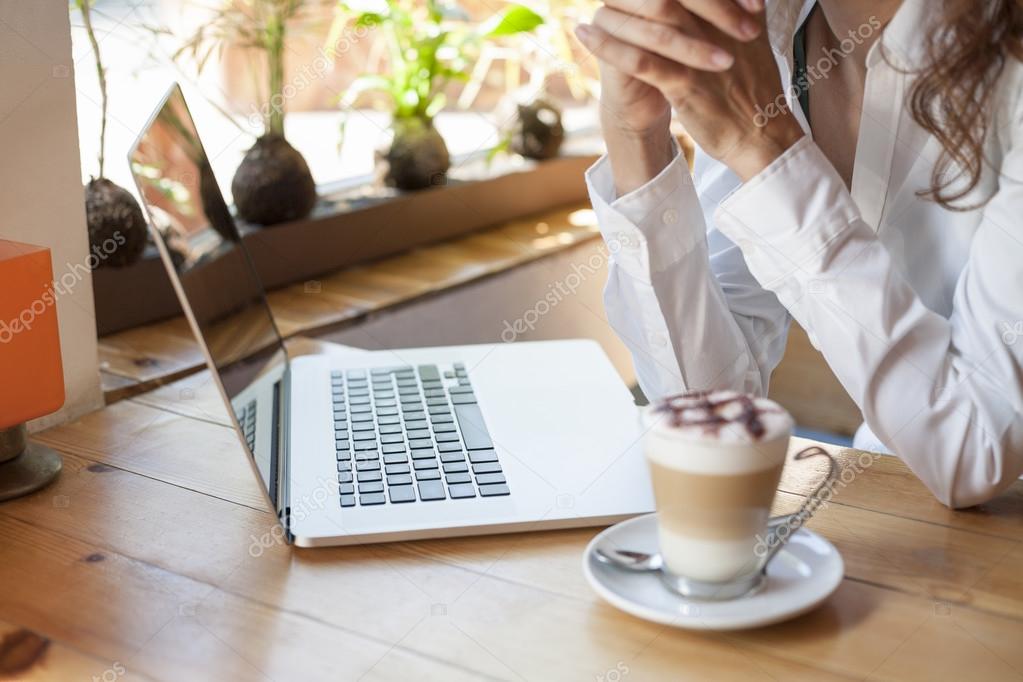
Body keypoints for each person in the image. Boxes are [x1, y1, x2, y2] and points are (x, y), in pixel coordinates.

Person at [573, 0, 1023, 507]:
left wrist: (763, 145)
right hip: (902, 508)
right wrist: (637, 138)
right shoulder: (764, 33)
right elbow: (710, 407)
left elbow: (973, 449)